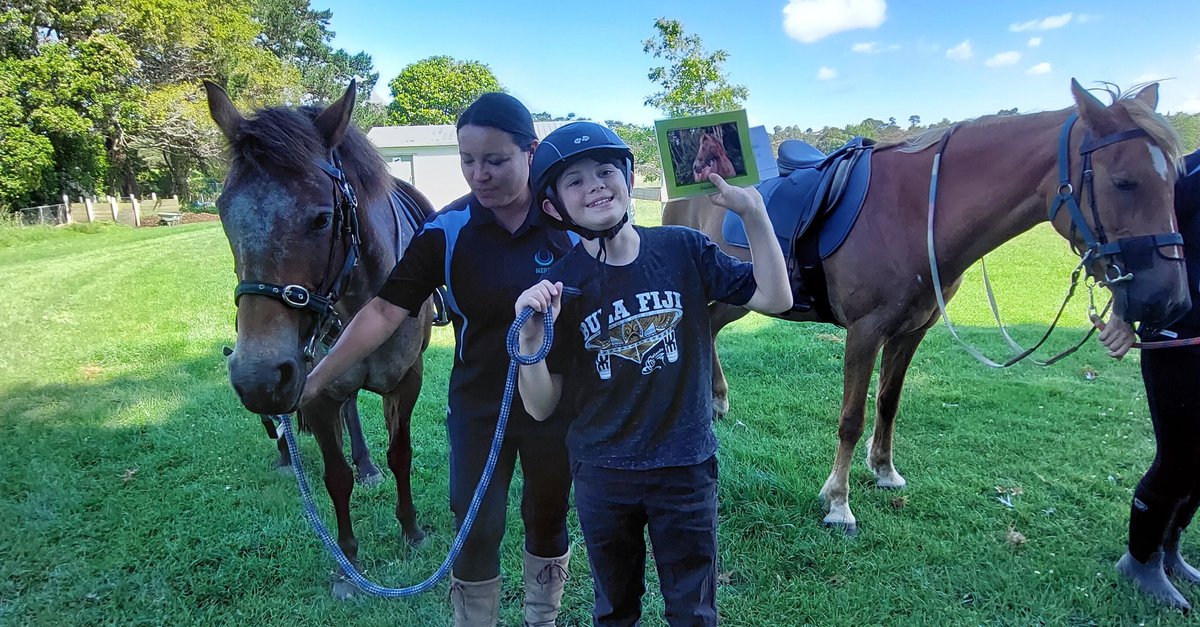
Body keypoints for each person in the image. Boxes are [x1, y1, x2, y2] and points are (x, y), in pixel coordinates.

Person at [301, 93, 576, 627]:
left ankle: (542, 619)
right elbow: (384, 310)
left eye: (495, 160)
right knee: (476, 526)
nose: (480, 174)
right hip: (478, 405)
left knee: (547, 515)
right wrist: (316, 379)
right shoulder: (447, 229)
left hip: (557, 404)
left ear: (531, 152)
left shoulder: (568, 221)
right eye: (468, 161)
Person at [513, 121, 791, 626]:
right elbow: (540, 404)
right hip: (603, 474)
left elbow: (776, 297)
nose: (595, 185)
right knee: (615, 608)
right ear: (554, 206)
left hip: (685, 467)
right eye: (574, 181)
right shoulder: (559, 287)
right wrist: (530, 345)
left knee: (693, 609)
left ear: (627, 177)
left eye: (604, 171)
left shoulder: (683, 249)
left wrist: (753, 214)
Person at [1098, 148, 1200, 612]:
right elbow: (1133, 236)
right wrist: (1122, 313)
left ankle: (1170, 549)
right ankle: (1139, 561)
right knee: (1182, 456)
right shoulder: (1186, 174)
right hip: (1177, 329)